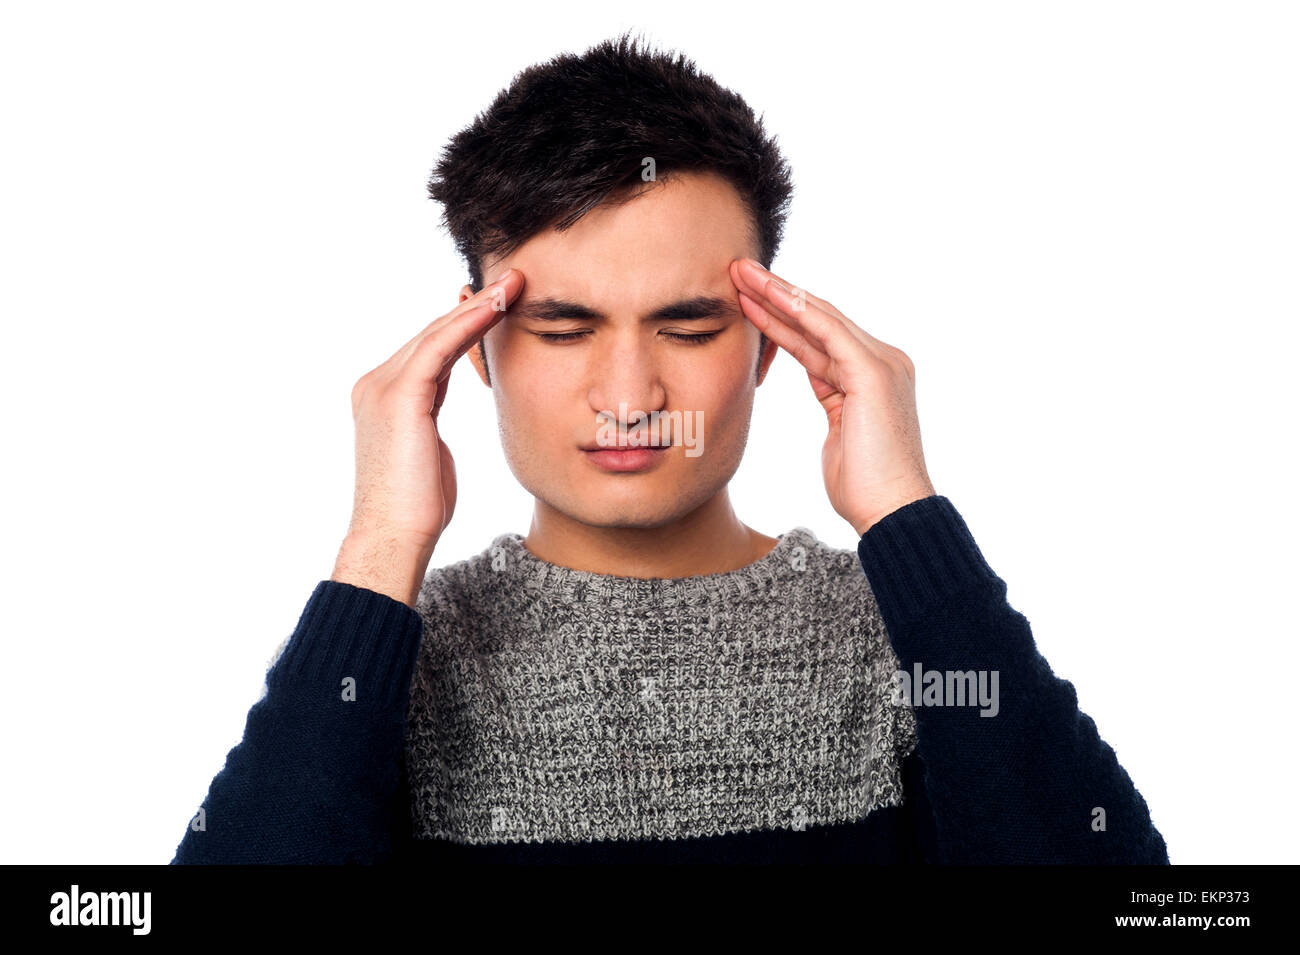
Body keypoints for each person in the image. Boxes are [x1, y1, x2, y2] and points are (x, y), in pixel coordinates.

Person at [171, 32, 1168, 864]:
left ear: (770, 344)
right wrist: (381, 542)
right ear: (473, 347)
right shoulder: (394, 664)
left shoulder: (900, 641)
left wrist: (906, 517)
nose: (628, 395)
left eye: (687, 328)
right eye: (564, 329)